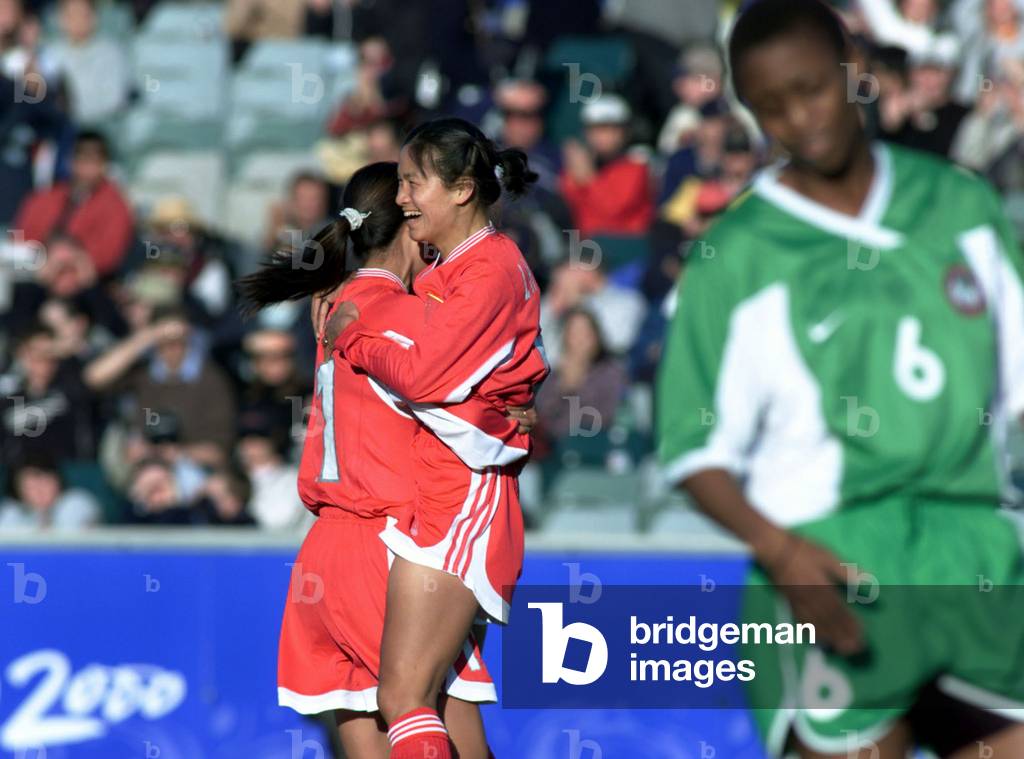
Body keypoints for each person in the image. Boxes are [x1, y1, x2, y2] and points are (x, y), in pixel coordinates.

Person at [656, 1, 1024, 758]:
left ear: (855, 70)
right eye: (772, 106)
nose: (799, 118)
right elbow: (693, 449)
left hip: (975, 553)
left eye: (812, 89)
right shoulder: (737, 254)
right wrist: (781, 552)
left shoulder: (960, 204)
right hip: (831, 559)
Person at [238, 160, 541, 758]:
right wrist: (513, 419)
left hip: (323, 552)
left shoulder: (338, 306)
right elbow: (450, 391)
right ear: (408, 224)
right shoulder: (399, 313)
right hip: (387, 545)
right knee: (448, 733)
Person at [324, 121, 548, 759]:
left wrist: (353, 335)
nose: (401, 199)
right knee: (432, 702)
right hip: (437, 492)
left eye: (412, 182)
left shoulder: (491, 268)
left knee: (403, 697)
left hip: (464, 494)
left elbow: (425, 376)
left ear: (462, 190)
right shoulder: (450, 267)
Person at [13, 130, 134, 277]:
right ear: (71, 161)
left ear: (104, 165)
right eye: (82, 160)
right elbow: (21, 239)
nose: (87, 170)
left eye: (94, 161)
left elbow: (108, 255)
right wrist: (44, 260)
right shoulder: (44, 199)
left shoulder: (115, 206)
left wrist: (70, 260)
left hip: (87, 281)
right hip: (36, 275)